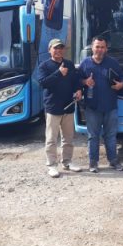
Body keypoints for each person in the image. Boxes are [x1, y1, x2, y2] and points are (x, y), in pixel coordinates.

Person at [78, 36, 123, 173]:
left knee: (111, 136)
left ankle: (113, 161)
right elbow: (77, 80)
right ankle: (93, 163)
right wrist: (84, 82)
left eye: (102, 47)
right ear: (92, 48)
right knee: (93, 136)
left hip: (110, 106)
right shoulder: (85, 63)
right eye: (97, 47)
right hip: (92, 107)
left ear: (106, 49)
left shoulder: (112, 63)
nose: (99, 49)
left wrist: (121, 84)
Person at [36, 38, 83, 178]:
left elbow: (75, 81)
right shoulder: (44, 66)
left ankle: (67, 162)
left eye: (61, 48)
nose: (58, 50)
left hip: (68, 106)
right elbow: (43, 83)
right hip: (53, 107)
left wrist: (78, 90)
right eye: (55, 48)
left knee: (68, 138)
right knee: (51, 139)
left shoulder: (69, 64)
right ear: (49, 50)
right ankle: (51, 165)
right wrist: (58, 73)